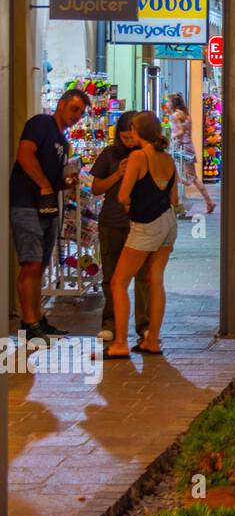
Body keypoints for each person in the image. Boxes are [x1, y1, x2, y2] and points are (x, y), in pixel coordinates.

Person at [9, 88, 89, 342]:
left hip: (48, 207)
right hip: (27, 205)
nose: (77, 116)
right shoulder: (41, 124)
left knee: (41, 264)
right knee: (30, 264)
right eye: (74, 109)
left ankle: (38, 319)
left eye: (81, 113)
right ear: (62, 104)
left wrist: (66, 181)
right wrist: (43, 184)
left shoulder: (63, 140)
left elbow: (56, 178)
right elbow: (24, 155)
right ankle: (29, 322)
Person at [105, 112, 179, 359]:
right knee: (155, 280)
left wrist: (129, 206)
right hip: (168, 222)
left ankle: (120, 344)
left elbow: (123, 196)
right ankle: (152, 341)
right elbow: (174, 199)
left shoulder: (138, 156)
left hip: (146, 225)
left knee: (118, 282)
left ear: (138, 132)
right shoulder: (168, 160)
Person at [91, 112, 150, 344]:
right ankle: (110, 323)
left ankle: (144, 325)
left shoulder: (148, 155)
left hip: (142, 223)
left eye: (132, 137)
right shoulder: (110, 155)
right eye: (124, 138)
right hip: (112, 223)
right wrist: (118, 173)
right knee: (112, 277)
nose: (128, 142)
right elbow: (96, 188)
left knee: (144, 278)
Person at [167, 94, 216, 215]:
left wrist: (169, 137)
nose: (167, 104)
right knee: (191, 176)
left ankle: (206, 201)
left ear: (173, 103)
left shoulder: (175, 115)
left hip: (180, 148)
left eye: (168, 102)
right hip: (188, 147)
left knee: (186, 176)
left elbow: (179, 131)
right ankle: (208, 201)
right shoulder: (186, 115)